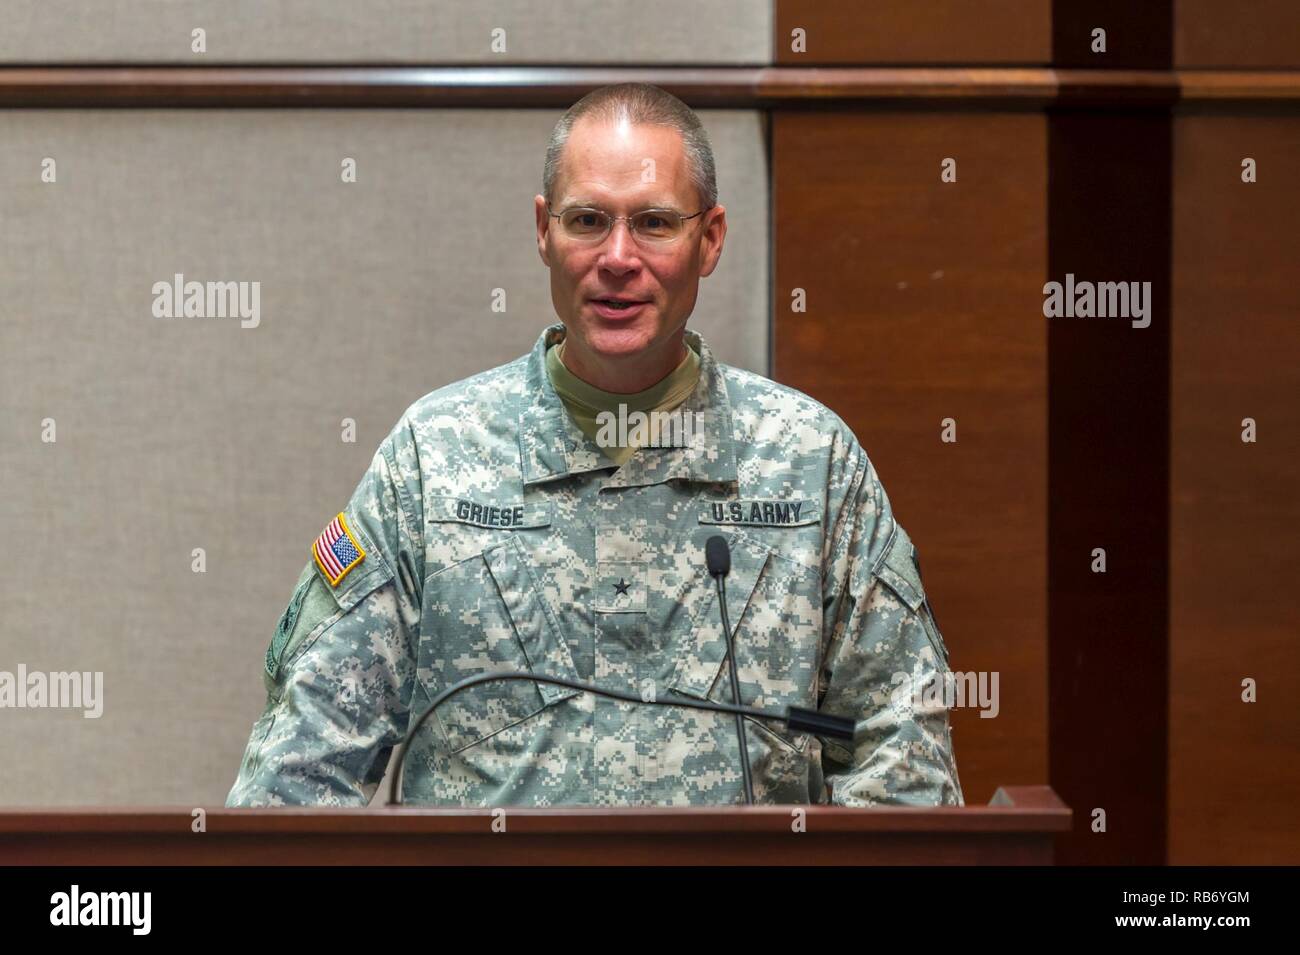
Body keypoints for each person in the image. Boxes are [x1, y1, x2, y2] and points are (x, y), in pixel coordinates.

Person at [226, 82, 963, 808]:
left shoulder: (812, 464)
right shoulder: (435, 459)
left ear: (709, 240)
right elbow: (298, 778)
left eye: (653, 222)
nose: (617, 257)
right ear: (544, 230)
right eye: (587, 221)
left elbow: (904, 767)